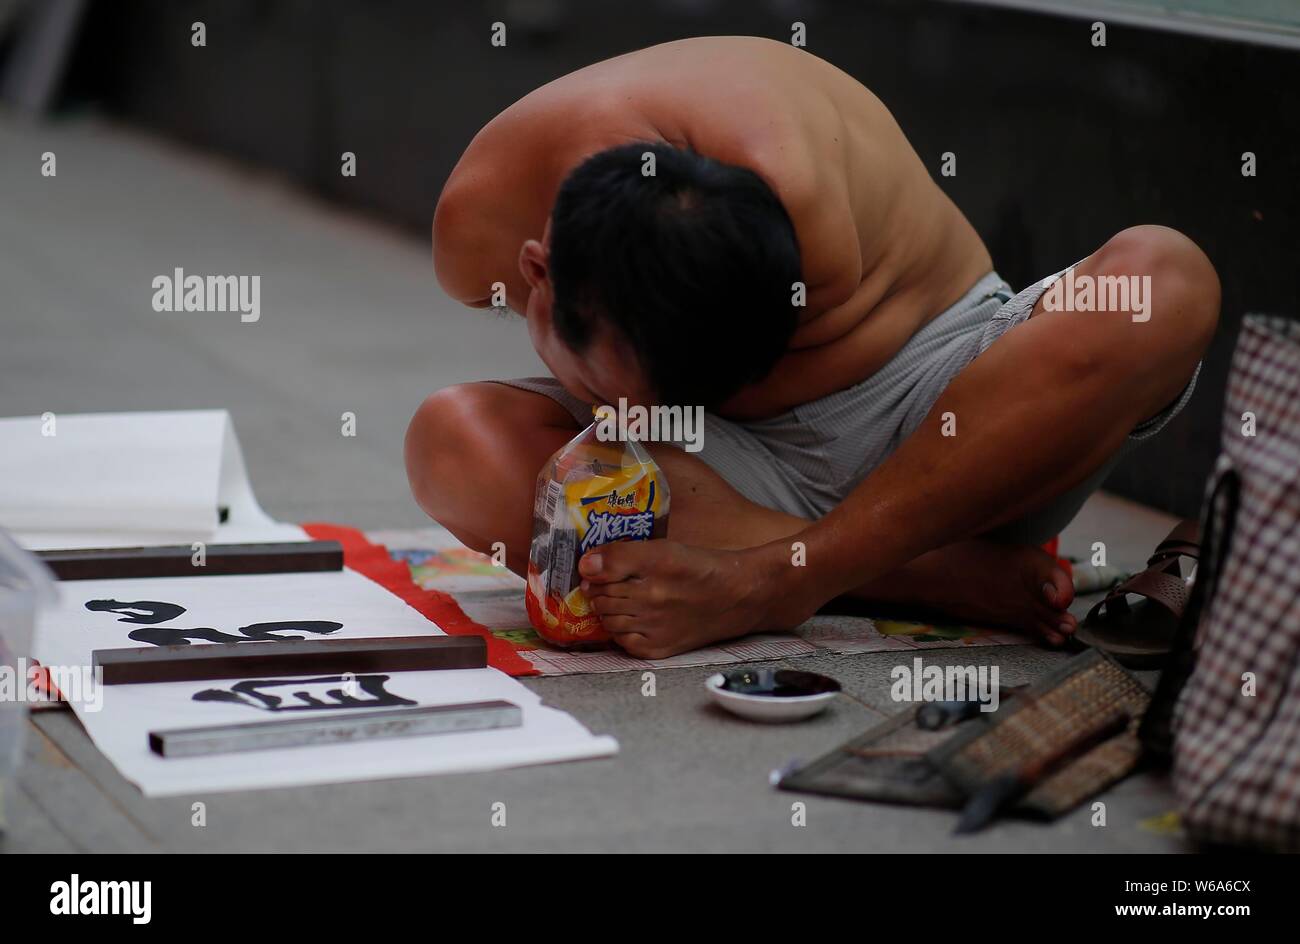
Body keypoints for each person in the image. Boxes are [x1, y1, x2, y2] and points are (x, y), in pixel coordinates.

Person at [407, 36, 1218, 658]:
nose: (637, 419)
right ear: (535, 273)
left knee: (1162, 281)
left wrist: (771, 578)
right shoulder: (479, 225)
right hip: (731, 481)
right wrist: (651, 428)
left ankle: (781, 579)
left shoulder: (795, 187)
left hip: (950, 434)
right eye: (640, 396)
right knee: (453, 441)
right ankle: (930, 578)